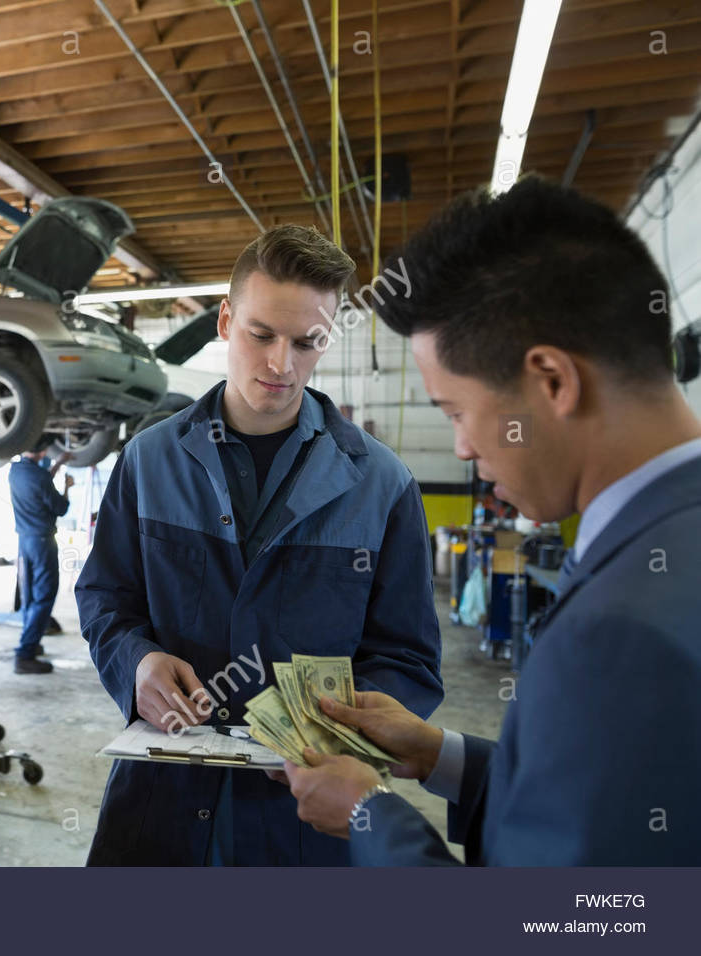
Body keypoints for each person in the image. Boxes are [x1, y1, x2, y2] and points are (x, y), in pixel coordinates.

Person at [284, 178, 701, 864]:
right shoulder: (656, 544)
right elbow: (594, 815)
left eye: (455, 411)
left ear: (552, 381)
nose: (463, 449)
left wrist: (368, 819)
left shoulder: (622, 631)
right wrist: (439, 754)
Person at [75, 225, 443, 865]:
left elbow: (408, 659)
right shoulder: (148, 461)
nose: (281, 364)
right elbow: (106, 597)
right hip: (159, 801)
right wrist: (137, 662)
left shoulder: (383, 486)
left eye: (308, 342)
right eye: (261, 334)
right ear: (224, 320)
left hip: (301, 820)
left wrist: (347, 743)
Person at [7, 441, 74, 674]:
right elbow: (61, 508)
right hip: (43, 543)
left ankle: (31, 644)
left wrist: (58, 465)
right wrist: (67, 487)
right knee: (44, 596)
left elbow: (41, 482)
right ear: (44, 451)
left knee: (29, 595)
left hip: (24, 542)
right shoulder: (40, 477)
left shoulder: (15, 470)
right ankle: (24, 654)